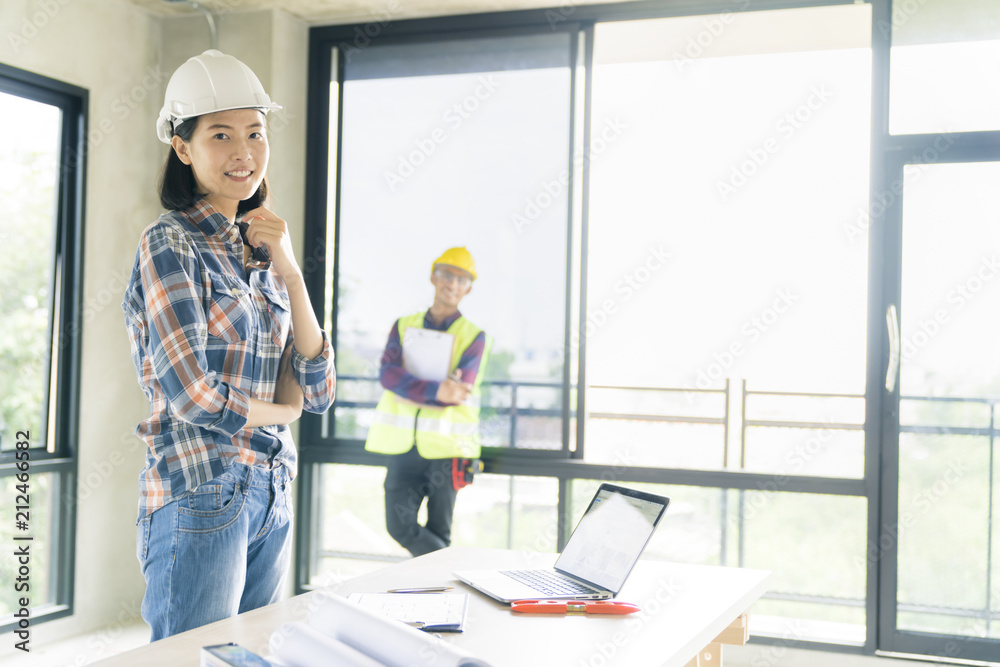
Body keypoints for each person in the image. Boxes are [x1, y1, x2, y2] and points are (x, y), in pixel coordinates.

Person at [121, 50, 336, 641]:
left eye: (255, 132)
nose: (244, 151)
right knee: (196, 658)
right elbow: (193, 395)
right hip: (202, 489)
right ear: (183, 147)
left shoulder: (264, 250)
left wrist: (291, 273)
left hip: (272, 487)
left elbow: (318, 388)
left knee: (249, 657)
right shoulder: (169, 242)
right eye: (221, 135)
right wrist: (281, 411)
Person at [364, 247, 492, 557]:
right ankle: (452, 570)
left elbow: (459, 392)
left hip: (448, 452)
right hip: (402, 447)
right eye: (447, 275)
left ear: (469, 288)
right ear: (434, 277)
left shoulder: (475, 336)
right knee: (399, 525)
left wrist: (413, 387)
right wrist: (436, 391)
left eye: (462, 280)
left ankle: (439, 594)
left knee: (438, 532)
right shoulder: (403, 325)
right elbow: (388, 376)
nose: (452, 284)